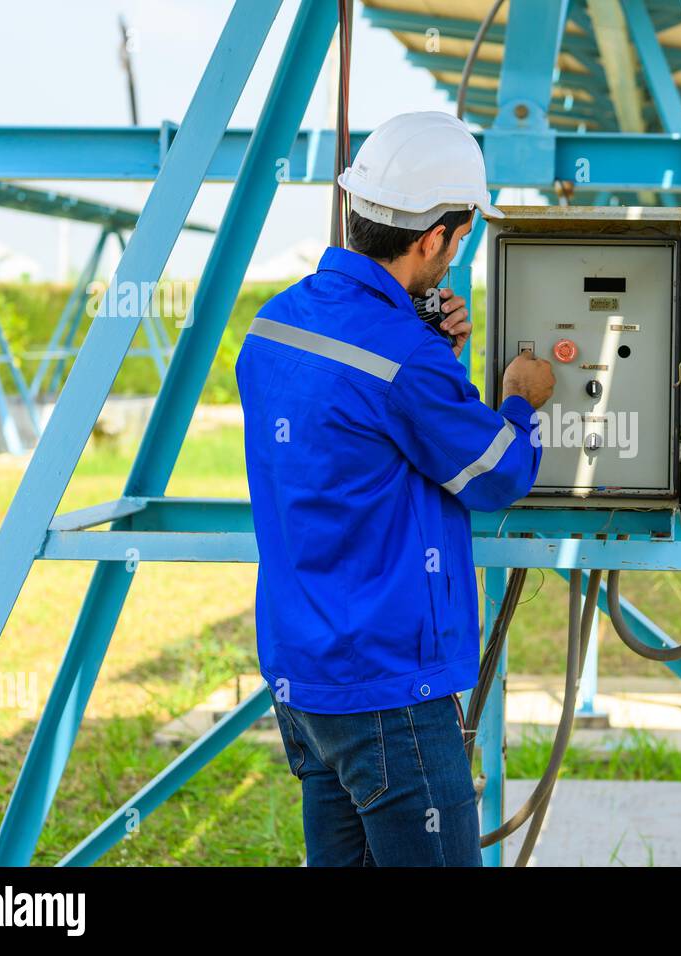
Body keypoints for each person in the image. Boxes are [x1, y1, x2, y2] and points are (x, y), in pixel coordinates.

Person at [235, 111, 555, 866]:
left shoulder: (274, 326)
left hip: (304, 678)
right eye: (464, 232)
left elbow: (349, 440)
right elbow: (497, 472)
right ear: (434, 237)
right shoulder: (407, 359)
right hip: (389, 690)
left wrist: (434, 350)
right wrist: (520, 398)